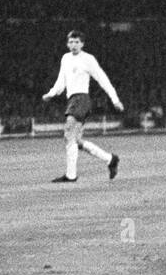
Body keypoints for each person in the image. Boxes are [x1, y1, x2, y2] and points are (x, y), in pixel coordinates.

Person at [41, 30, 123, 182]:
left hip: (81, 99)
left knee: (68, 133)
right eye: (71, 42)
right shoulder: (65, 58)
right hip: (72, 100)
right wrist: (51, 93)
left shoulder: (88, 59)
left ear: (82, 44)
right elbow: (61, 81)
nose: (73, 45)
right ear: (67, 44)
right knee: (76, 141)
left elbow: (102, 79)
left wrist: (115, 99)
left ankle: (71, 175)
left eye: (77, 42)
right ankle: (110, 159)